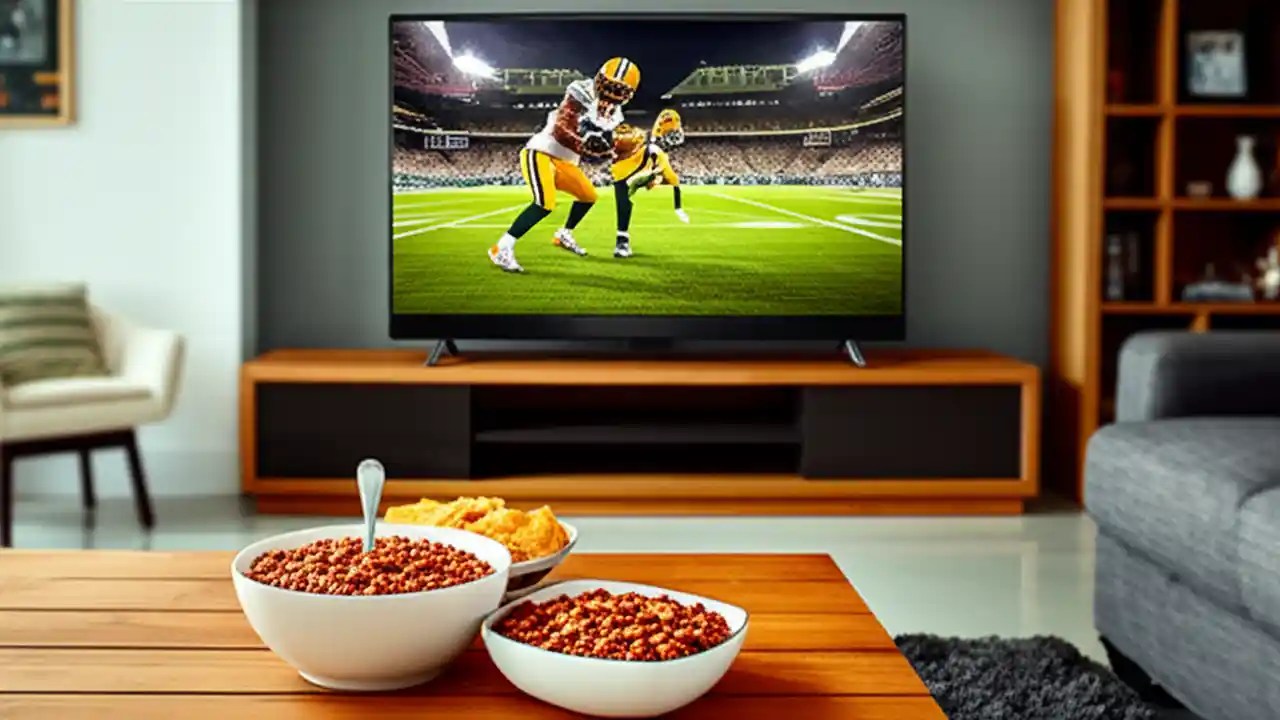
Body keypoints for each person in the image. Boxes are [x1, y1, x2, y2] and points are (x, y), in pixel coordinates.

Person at [488, 57, 641, 273]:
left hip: (566, 161)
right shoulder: (580, 91)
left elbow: (597, 154)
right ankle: (501, 248)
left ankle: (564, 234)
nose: (610, 96)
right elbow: (562, 127)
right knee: (544, 203)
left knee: (589, 195)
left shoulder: (616, 115)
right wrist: (586, 141)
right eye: (608, 87)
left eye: (618, 92)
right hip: (542, 152)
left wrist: (609, 150)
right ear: (598, 79)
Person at [608, 108, 689, 258]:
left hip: (636, 174)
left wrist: (678, 208)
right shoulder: (650, 148)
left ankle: (622, 242)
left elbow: (674, 181)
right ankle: (622, 241)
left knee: (625, 198)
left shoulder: (658, 153)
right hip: (626, 173)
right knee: (625, 199)